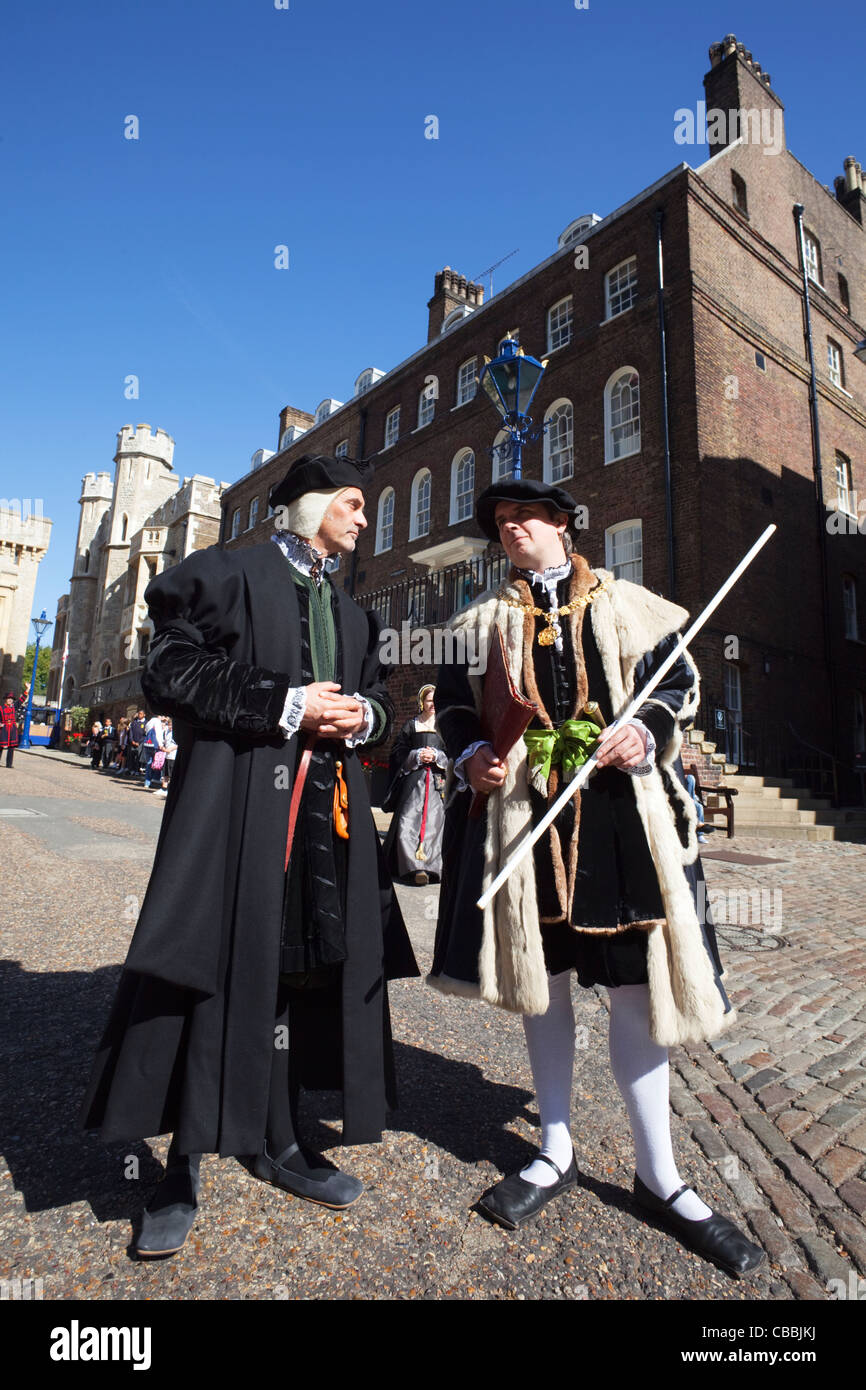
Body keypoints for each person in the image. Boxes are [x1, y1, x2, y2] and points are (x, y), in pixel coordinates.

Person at [80, 453, 418, 1258]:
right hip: (233, 811)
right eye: (353, 502)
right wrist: (285, 703)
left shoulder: (352, 609)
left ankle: (277, 1136)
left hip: (321, 827)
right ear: (307, 505)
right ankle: (182, 1164)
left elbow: (378, 701)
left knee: (296, 970)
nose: (365, 518)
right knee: (208, 967)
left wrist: (363, 720)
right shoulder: (225, 572)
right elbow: (166, 669)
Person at [429, 479, 764, 1280]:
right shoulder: (480, 625)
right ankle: (555, 1150)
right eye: (502, 524)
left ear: (563, 526)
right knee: (540, 983)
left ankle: (661, 1177)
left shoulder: (633, 605)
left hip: (619, 820)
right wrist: (473, 753)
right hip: (525, 821)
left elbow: (677, 688)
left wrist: (643, 732)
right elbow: (451, 710)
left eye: (525, 519)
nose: (512, 531)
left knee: (633, 991)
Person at [381, 684, 448, 885]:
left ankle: (430, 868)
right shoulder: (411, 725)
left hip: (438, 784)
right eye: (429, 700)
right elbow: (397, 752)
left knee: (435, 823)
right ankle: (412, 866)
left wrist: (437, 756)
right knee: (406, 820)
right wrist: (416, 755)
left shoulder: (445, 726)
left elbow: (454, 752)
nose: (433, 704)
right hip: (414, 780)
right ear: (422, 702)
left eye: (436, 701)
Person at [1, 694, 19, 767]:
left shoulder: (14, 707)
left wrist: (27, 690)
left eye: (11, 699)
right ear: (6, 699)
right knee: (0, 746)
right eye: (9, 698)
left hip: (12, 729)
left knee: (11, 747)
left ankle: (9, 764)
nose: (10, 700)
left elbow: (21, 700)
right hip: (3, 729)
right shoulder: (1, 708)